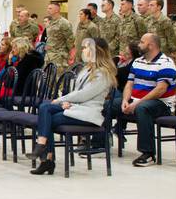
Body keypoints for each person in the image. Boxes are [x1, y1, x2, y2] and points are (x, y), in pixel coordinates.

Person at [28, 37, 117, 175]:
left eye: (86, 48)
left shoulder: (103, 73)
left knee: (48, 117)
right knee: (45, 107)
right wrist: (67, 102)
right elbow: (77, 93)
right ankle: (43, 151)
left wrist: (60, 100)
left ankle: (46, 158)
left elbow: (84, 95)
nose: (83, 50)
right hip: (77, 107)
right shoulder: (87, 69)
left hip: (89, 113)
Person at [116, 32, 176, 167]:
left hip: (161, 103)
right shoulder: (138, 61)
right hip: (137, 100)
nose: (139, 45)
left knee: (143, 108)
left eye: (142, 42)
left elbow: (160, 90)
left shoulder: (165, 63)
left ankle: (148, 153)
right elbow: (129, 84)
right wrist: (125, 100)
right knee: (110, 104)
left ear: (151, 45)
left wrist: (137, 102)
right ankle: (99, 142)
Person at [41, 1, 74, 70]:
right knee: (48, 78)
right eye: (48, 8)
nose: (48, 10)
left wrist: (68, 53)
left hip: (59, 57)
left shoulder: (64, 23)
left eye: (50, 8)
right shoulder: (50, 22)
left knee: (58, 79)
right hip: (49, 55)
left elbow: (70, 39)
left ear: (57, 10)